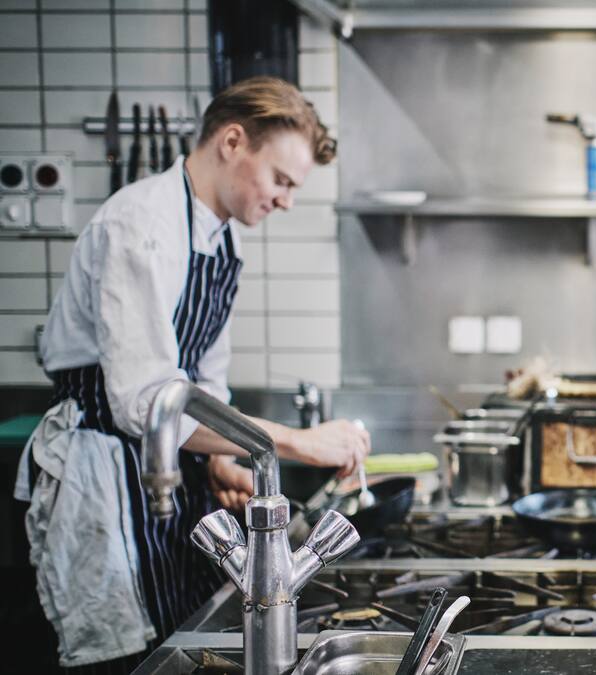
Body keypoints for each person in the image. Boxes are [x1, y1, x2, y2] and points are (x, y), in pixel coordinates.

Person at [14, 76, 371, 673]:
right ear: (233, 141)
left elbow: (204, 386)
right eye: (281, 180)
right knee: (127, 657)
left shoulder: (220, 236)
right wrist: (292, 442)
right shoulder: (141, 224)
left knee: (179, 645)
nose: (285, 200)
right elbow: (148, 404)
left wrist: (218, 458)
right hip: (105, 474)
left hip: (164, 475)